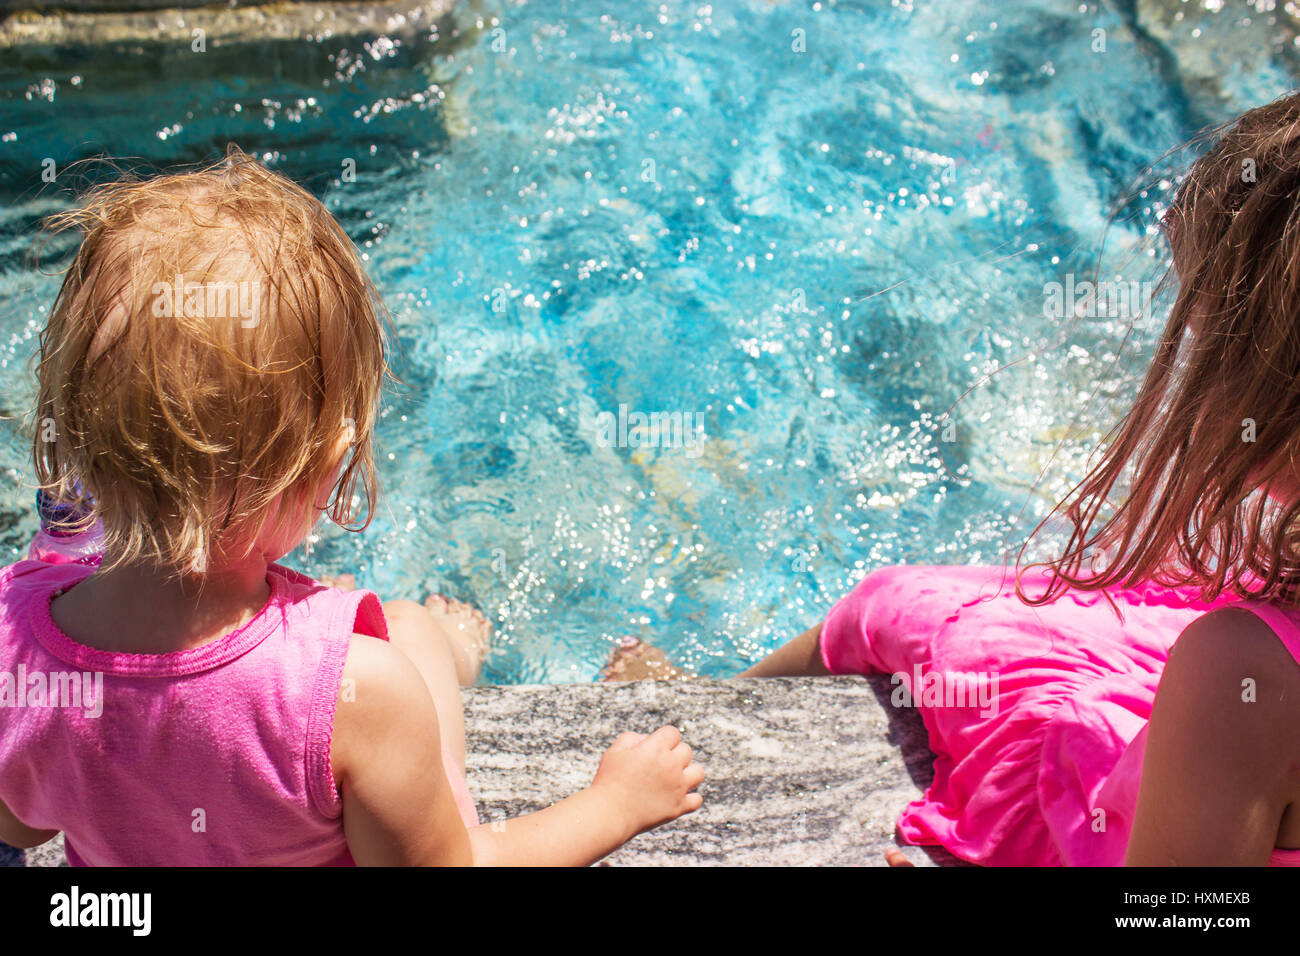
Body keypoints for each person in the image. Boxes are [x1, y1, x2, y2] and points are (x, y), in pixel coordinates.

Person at [0, 147, 703, 866]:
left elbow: (21, 825)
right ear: (327, 463)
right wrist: (615, 804)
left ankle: (410, 641)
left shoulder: (18, 644)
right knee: (409, 632)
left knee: (393, 628)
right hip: (362, 729)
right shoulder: (358, 697)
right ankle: (450, 649)